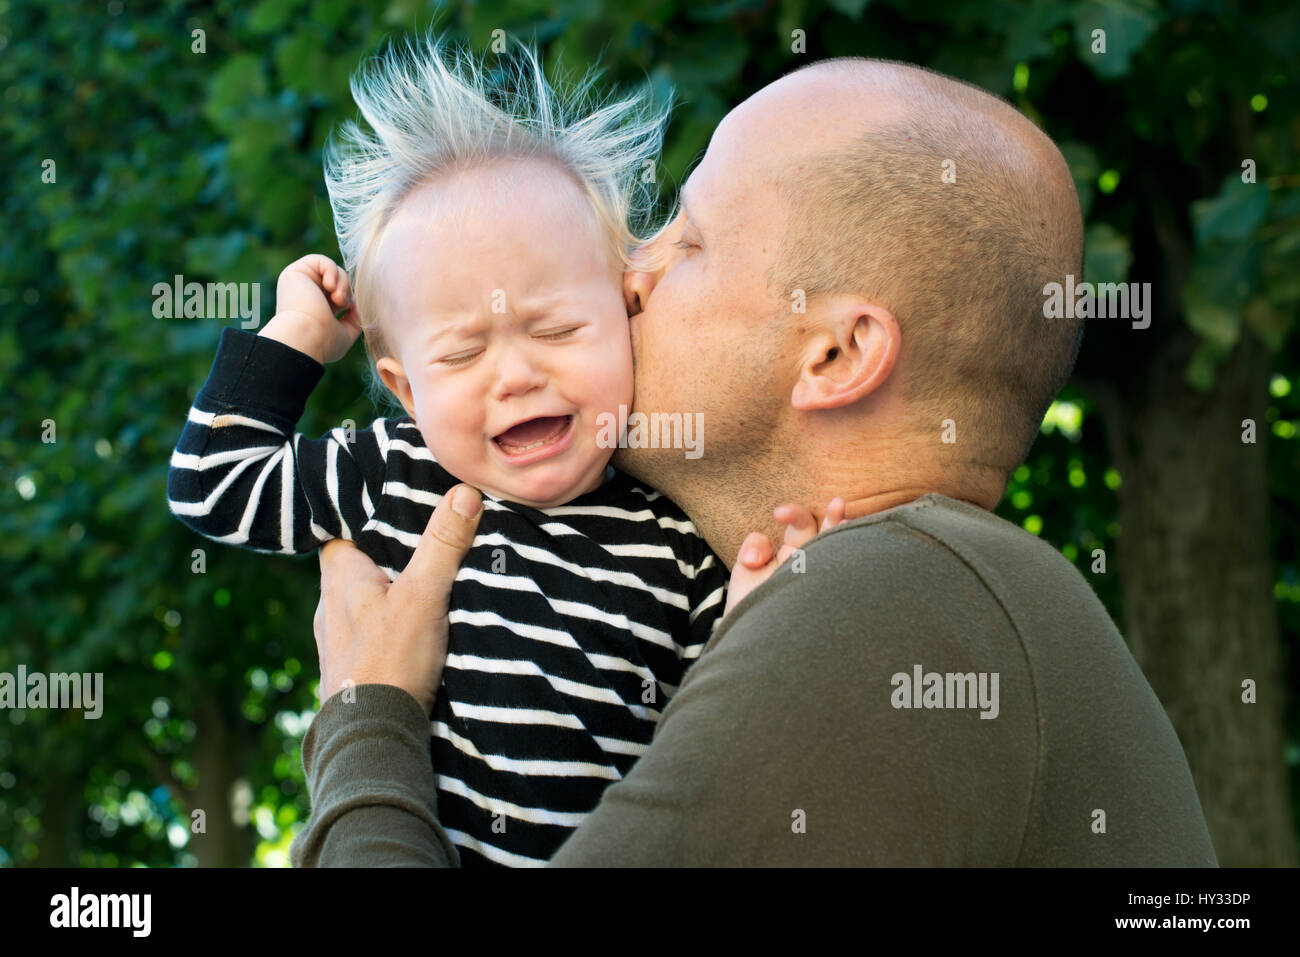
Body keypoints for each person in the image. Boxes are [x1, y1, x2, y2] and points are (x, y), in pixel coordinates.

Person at [289, 56, 1219, 866]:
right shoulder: (932, 596)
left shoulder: (890, 601)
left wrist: (368, 719)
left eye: (686, 240)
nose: (630, 275)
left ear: (837, 356)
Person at [167, 37, 833, 867]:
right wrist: (294, 336)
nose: (516, 374)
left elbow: (715, 754)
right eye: (459, 354)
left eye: (556, 329)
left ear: (629, 314)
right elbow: (213, 485)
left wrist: (752, 620)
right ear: (406, 390)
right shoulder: (392, 472)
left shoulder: (681, 537)